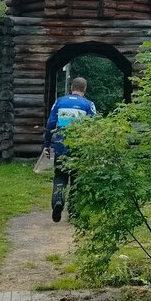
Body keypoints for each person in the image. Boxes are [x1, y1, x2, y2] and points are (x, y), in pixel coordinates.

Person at [42, 76, 96, 222]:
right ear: (84, 89)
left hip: (61, 145)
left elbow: (50, 124)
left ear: (71, 88)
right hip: (79, 147)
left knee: (60, 176)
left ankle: (58, 201)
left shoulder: (60, 102)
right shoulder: (88, 105)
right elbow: (95, 127)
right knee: (77, 180)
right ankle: (74, 213)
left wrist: (47, 145)